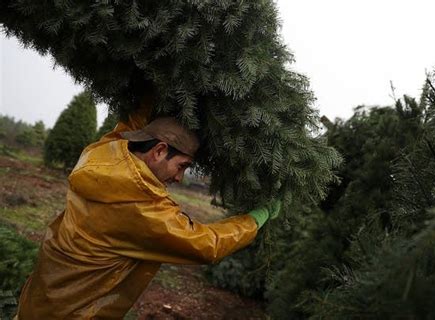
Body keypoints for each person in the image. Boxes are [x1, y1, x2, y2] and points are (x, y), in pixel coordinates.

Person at [15, 108, 280, 319]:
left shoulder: (103, 153)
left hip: (38, 302)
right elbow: (205, 244)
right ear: (160, 150)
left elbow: (129, 123)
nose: (179, 177)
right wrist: (253, 220)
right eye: (182, 166)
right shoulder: (140, 206)